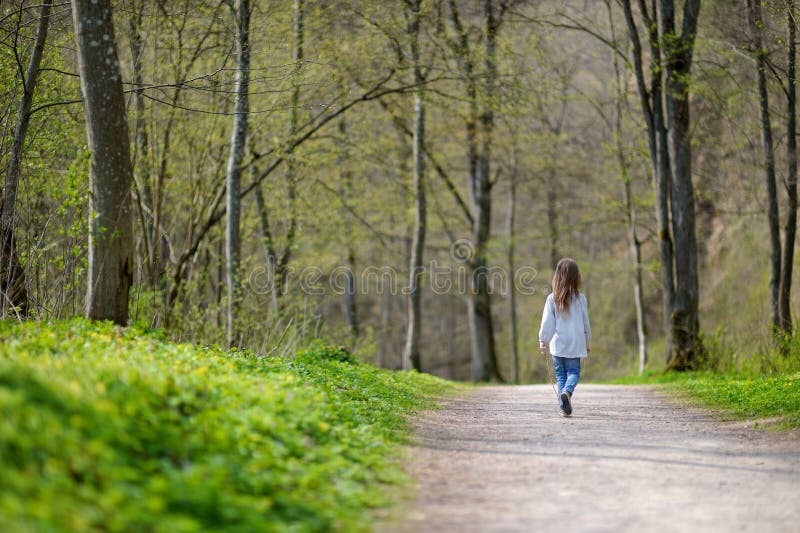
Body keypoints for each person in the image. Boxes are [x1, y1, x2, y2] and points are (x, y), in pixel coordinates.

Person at [538, 258, 591, 417]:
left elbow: (548, 322)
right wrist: (587, 342)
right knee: (573, 372)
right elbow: (586, 323)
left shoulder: (551, 298)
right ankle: (567, 393)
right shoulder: (581, 299)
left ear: (557, 277)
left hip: (557, 345)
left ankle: (563, 404)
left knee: (560, 375)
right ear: (576, 278)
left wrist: (543, 340)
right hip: (575, 344)